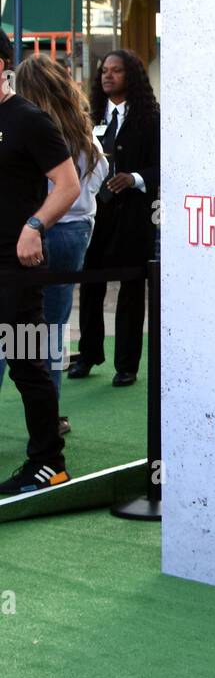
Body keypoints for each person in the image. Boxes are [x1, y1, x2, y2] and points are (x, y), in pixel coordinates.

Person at [0, 54, 108, 435]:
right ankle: (52, 418)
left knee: (15, 331)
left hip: (36, 231)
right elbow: (98, 174)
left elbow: (50, 184)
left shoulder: (26, 121)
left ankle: (44, 433)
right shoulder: (77, 127)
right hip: (74, 229)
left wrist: (37, 219)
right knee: (49, 331)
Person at [0, 29, 79, 495]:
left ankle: (49, 462)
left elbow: (67, 184)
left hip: (16, 266)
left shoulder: (27, 119)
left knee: (27, 361)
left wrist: (35, 225)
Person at [68, 49, 160, 386]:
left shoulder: (151, 118)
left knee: (131, 290)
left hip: (135, 216)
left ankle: (127, 365)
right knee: (91, 284)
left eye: (116, 70)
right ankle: (89, 354)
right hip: (96, 214)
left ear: (130, 76)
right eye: (104, 70)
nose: (108, 75)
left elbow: (163, 166)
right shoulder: (87, 116)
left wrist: (134, 178)